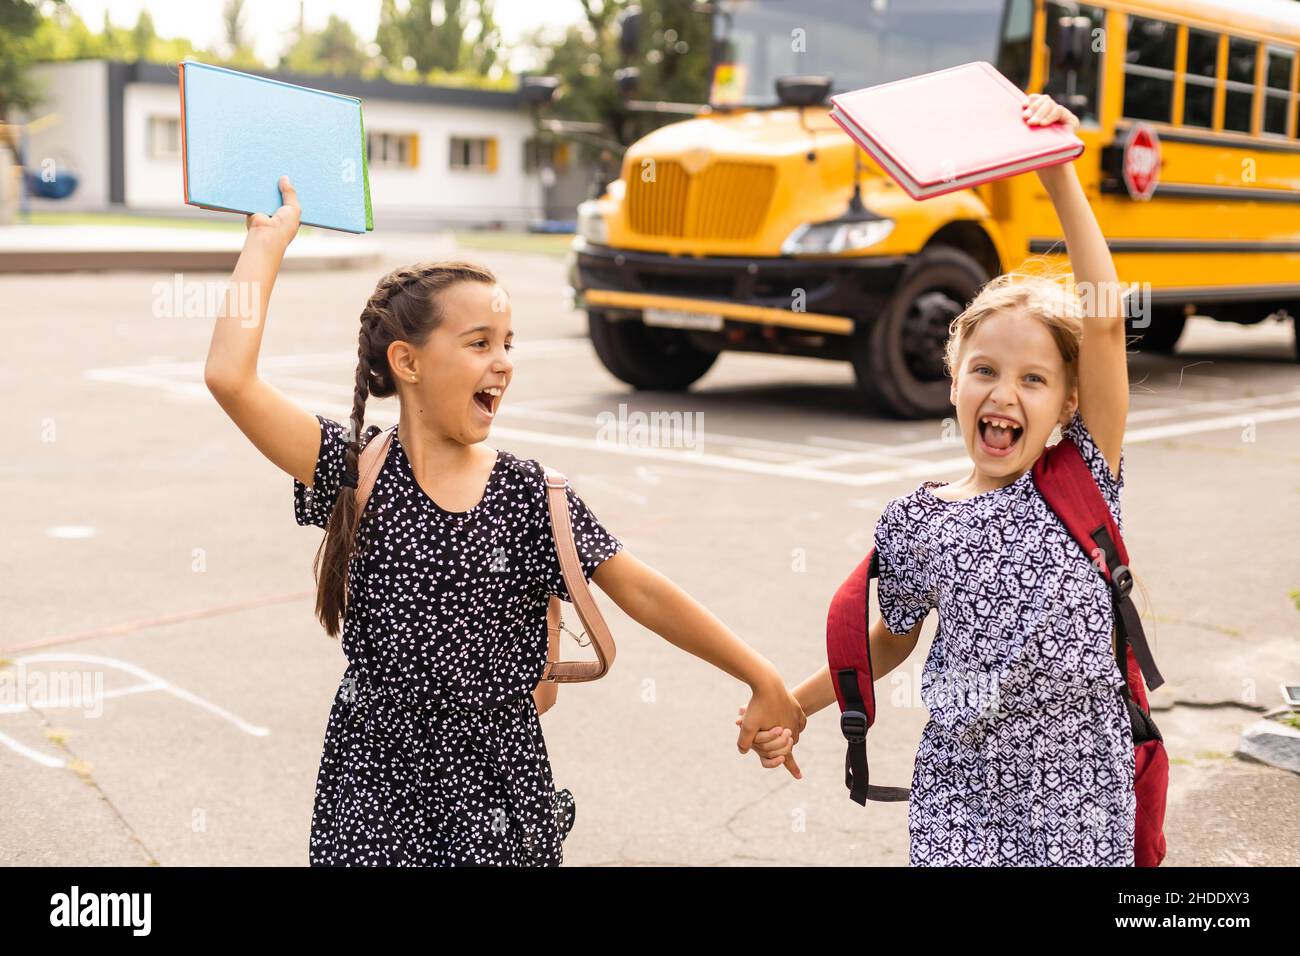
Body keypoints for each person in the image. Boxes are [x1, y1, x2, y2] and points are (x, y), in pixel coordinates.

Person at [203, 178, 803, 865]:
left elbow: (641, 590)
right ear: (408, 363)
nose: (503, 362)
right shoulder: (353, 466)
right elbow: (230, 378)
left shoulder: (529, 493)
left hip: (499, 797)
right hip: (371, 789)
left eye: (508, 343)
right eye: (479, 342)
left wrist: (760, 675)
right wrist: (264, 243)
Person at [748, 93, 1147, 866]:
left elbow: (1100, 318)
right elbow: (888, 643)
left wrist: (1058, 167)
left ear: (1068, 400)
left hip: (1082, 796)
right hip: (961, 796)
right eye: (985, 371)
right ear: (953, 379)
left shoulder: (1082, 474)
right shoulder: (914, 520)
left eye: (1033, 380)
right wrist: (795, 705)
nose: (1004, 395)